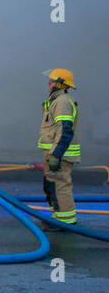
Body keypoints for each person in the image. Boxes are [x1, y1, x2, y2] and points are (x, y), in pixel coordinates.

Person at [38, 68, 81, 225]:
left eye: (52, 81)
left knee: (59, 186)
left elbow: (64, 131)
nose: (49, 83)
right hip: (54, 152)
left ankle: (66, 222)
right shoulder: (57, 101)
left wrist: (56, 155)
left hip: (59, 155)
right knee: (51, 185)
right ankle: (59, 218)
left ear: (60, 85)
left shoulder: (62, 102)